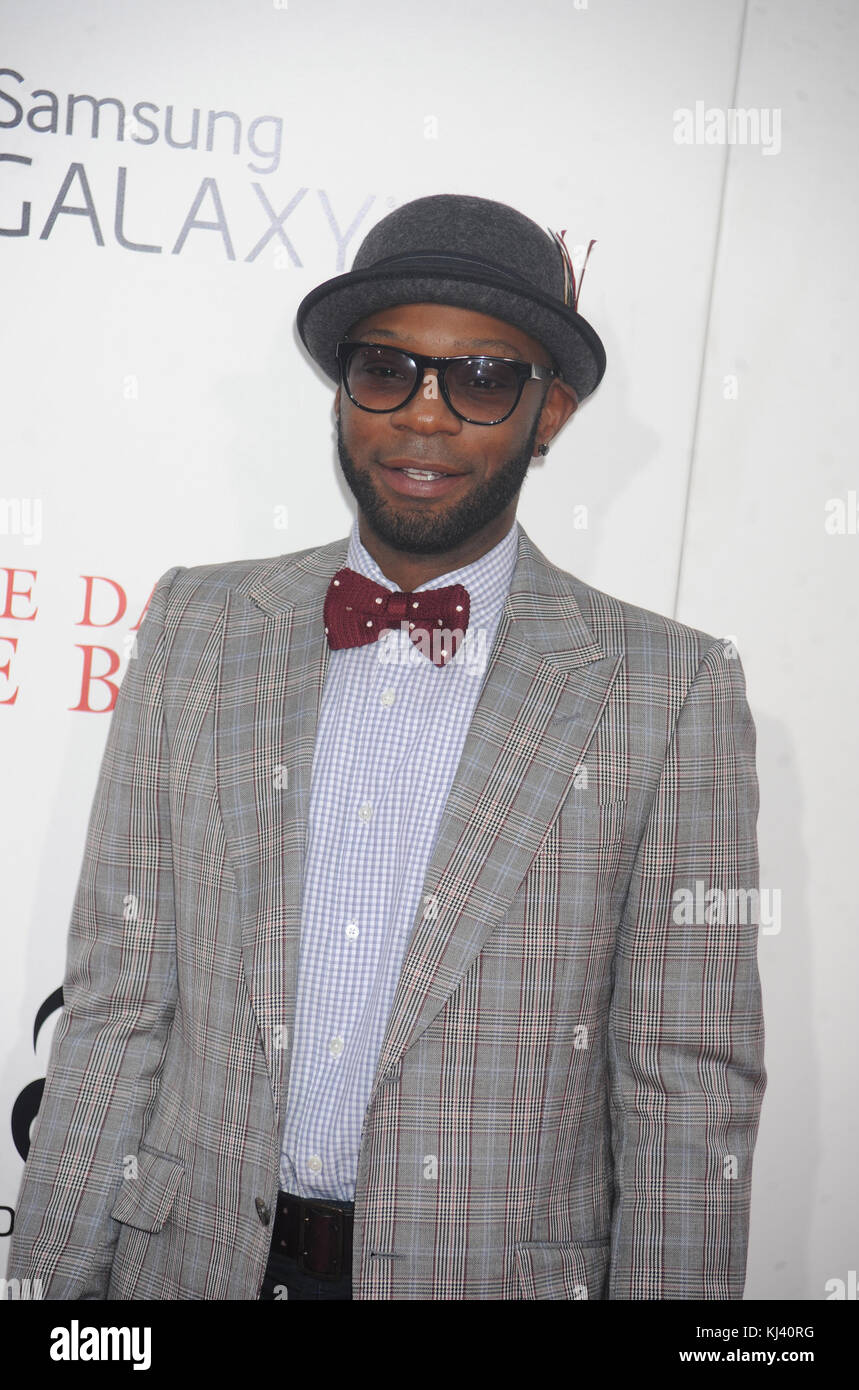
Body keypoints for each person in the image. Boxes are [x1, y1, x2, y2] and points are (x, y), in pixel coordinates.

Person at [6, 193, 767, 1301]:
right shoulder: (198, 628)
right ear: (342, 391)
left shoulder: (668, 688)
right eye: (388, 369)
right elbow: (119, 1010)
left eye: (483, 378)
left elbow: (687, 1096)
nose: (424, 414)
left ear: (547, 412)